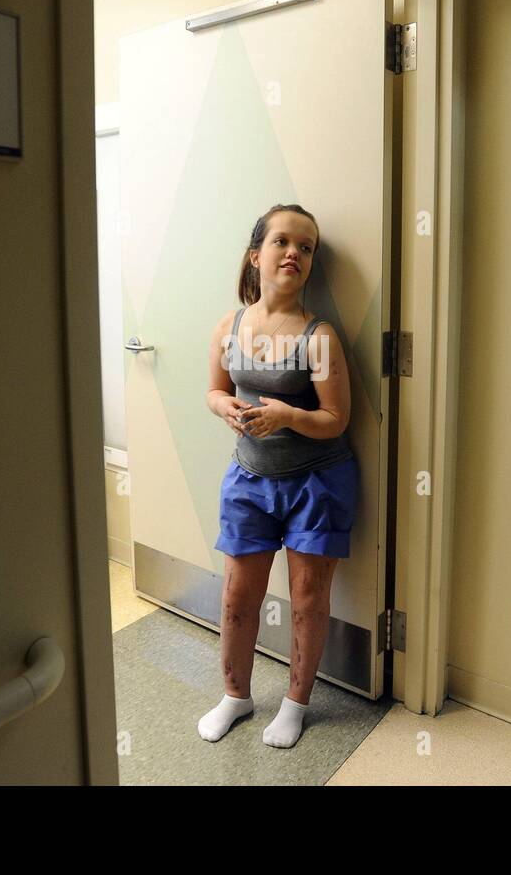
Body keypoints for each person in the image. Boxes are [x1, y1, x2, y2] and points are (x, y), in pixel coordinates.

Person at [199, 203, 358, 749]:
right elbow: (215, 389)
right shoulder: (231, 324)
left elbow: (337, 420)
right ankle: (235, 696)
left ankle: (295, 703)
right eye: (282, 242)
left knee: (308, 595)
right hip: (248, 481)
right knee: (238, 594)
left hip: (317, 483)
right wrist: (225, 409)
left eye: (306, 247)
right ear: (256, 255)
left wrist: (287, 415)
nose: (294, 252)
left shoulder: (319, 336)